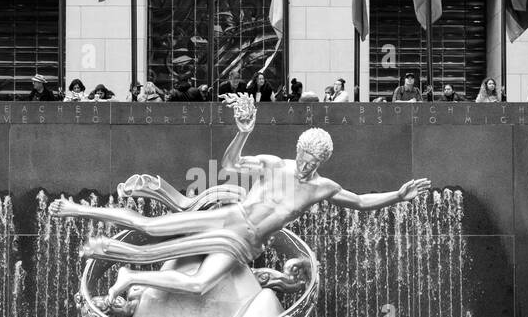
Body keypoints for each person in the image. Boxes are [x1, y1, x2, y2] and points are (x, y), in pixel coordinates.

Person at [51, 94, 432, 304]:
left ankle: (131, 275)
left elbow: (362, 202)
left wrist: (397, 196)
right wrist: (243, 131)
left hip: (245, 244)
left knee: (201, 286)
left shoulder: (323, 187)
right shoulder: (273, 165)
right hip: (229, 218)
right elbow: (232, 162)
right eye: (303, 156)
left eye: (313, 162)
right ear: (297, 150)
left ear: (322, 162)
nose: (305, 165)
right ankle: (75, 209)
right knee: (150, 227)